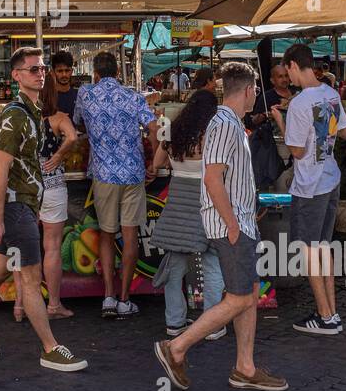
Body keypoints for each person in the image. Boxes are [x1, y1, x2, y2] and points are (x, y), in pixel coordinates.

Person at [0, 46, 87, 372]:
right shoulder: (15, 116)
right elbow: (2, 169)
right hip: (16, 208)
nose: (40, 73)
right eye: (33, 69)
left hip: (22, 205)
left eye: (42, 69)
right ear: (16, 76)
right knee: (29, 278)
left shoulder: (32, 112)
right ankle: (51, 348)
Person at [154, 63, 288, 391]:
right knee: (241, 297)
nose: (256, 94)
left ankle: (245, 367)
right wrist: (232, 222)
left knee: (248, 292)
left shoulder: (226, 122)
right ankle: (177, 347)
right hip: (230, 225)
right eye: (255, 89)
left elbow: (224, 178)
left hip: (236, 221)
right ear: (246, 90)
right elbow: (212, 179)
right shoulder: (226, 125)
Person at [74, 51, 160, 318]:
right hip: (133, 174)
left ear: (95, 74)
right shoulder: (133, 97)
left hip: (103, 175)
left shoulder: (85, 94)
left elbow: (76, 123)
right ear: (118, 73)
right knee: (131, 235)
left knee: (107, 234)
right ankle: (125, 298)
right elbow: (155, 128)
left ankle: (108, 298)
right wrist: (154, 164)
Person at [272, 43, 346, 335]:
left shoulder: (299, 104)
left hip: (309, 185)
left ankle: (325, 316)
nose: (286, 76)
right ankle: (332, 312)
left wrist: (281, 120)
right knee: (323, 247)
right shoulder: (331, 93)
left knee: (309, 250)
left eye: (286, 70)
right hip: (330, 178)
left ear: (293, 65)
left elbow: (297, 151)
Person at [150, 86, 227, 340]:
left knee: (175, 269)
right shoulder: (212, 134)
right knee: (212, 265)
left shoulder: (175, 132)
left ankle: (174, 322)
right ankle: (212, 325)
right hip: (207, 205)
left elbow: (156, 164)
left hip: (178, 209)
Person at [13, 72, 80, 322]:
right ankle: (53, 305)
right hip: (52, 187)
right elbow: (73, 137)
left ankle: (19, 305)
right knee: (51, 247)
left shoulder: (21, 118)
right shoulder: (58, 118)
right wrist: (60, 155)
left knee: (21, 248)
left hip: (25, 190)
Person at [48, 50, 79, 118]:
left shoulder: (79, 95)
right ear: (53, 72)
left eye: (67, 70)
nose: (64, 75)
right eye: (60, 71)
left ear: (72, 71)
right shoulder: (47, 97)